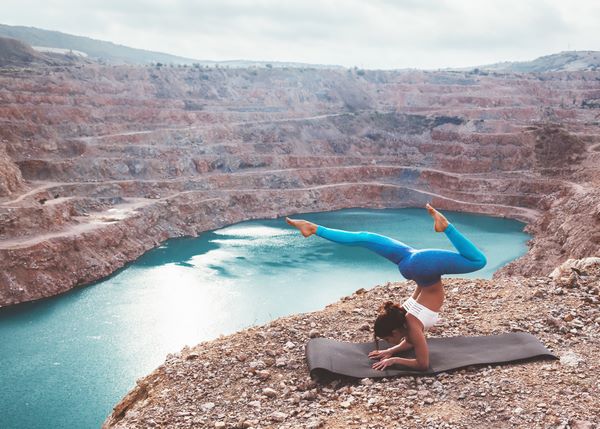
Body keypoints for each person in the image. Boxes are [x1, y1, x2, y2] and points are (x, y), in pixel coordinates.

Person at [286, 203, 487, 371]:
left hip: (420, 266)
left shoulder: (410, 323)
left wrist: (394, 358)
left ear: (395, 332)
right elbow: (413, 346)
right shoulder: (407, 321)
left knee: (478, 261)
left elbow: (422, 363)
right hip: (411, 262)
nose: (387, 343)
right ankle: (314, 228)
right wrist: (390, 351)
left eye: (387, 341)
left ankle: (445, 226)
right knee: (366, 238)